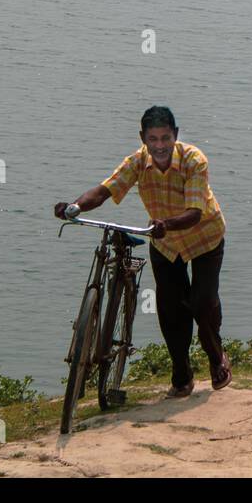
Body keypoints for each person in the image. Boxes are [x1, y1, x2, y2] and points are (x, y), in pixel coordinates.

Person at [55, 106, 231, 397]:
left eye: (165, 138)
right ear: (143, 139)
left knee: (202, 302)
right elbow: (105, 190)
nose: (159, 146)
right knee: (170, 310)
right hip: (163, 240)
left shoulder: (193, 160)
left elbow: (196, 213)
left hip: (204, 238)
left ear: (175, 135)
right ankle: (182, 375)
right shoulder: (137, 162)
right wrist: (74, 207)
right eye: (153, 139)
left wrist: (167, 224)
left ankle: (217, 358)